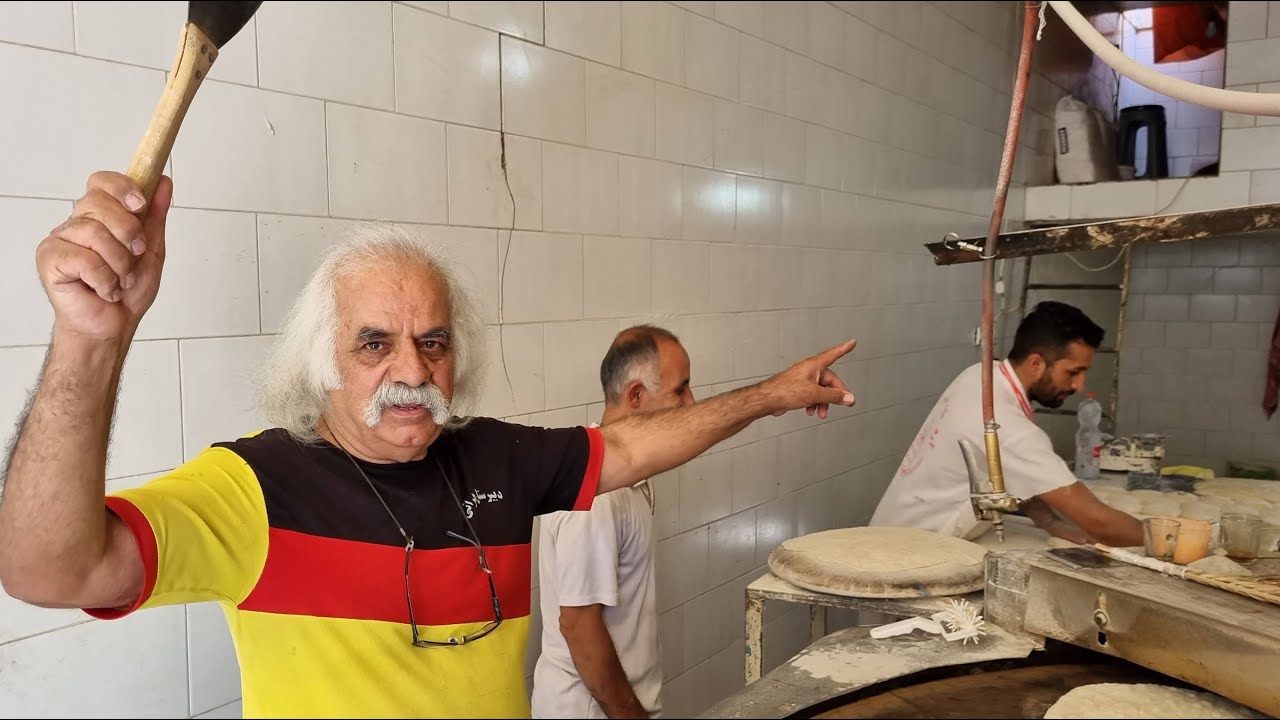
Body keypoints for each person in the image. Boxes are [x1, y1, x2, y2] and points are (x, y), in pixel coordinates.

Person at [0, 171, 859, 718]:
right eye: (374, 343)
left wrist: (773, 395)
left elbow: (635, 448)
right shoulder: (254, 487)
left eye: (434, 342)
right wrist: (90, 340)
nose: (411, 369)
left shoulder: (496, 459)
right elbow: (47, 569)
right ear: (322, 362)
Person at [870, 301, 1142, 548]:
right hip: (911, 553)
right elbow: (1100, 524)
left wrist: (1051, 523)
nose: (1079, 386)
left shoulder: (980, 375)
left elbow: (1009, 470)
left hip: (895, 531)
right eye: (1073, 372)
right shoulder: (1007, 428)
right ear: (1036, 363)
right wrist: (1168, 540)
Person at [532, 325, 693, 719]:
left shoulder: (625, 475)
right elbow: (578, 626)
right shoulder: (596, 497)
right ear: (636, 395)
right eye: (680, 390)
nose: (691, 404)